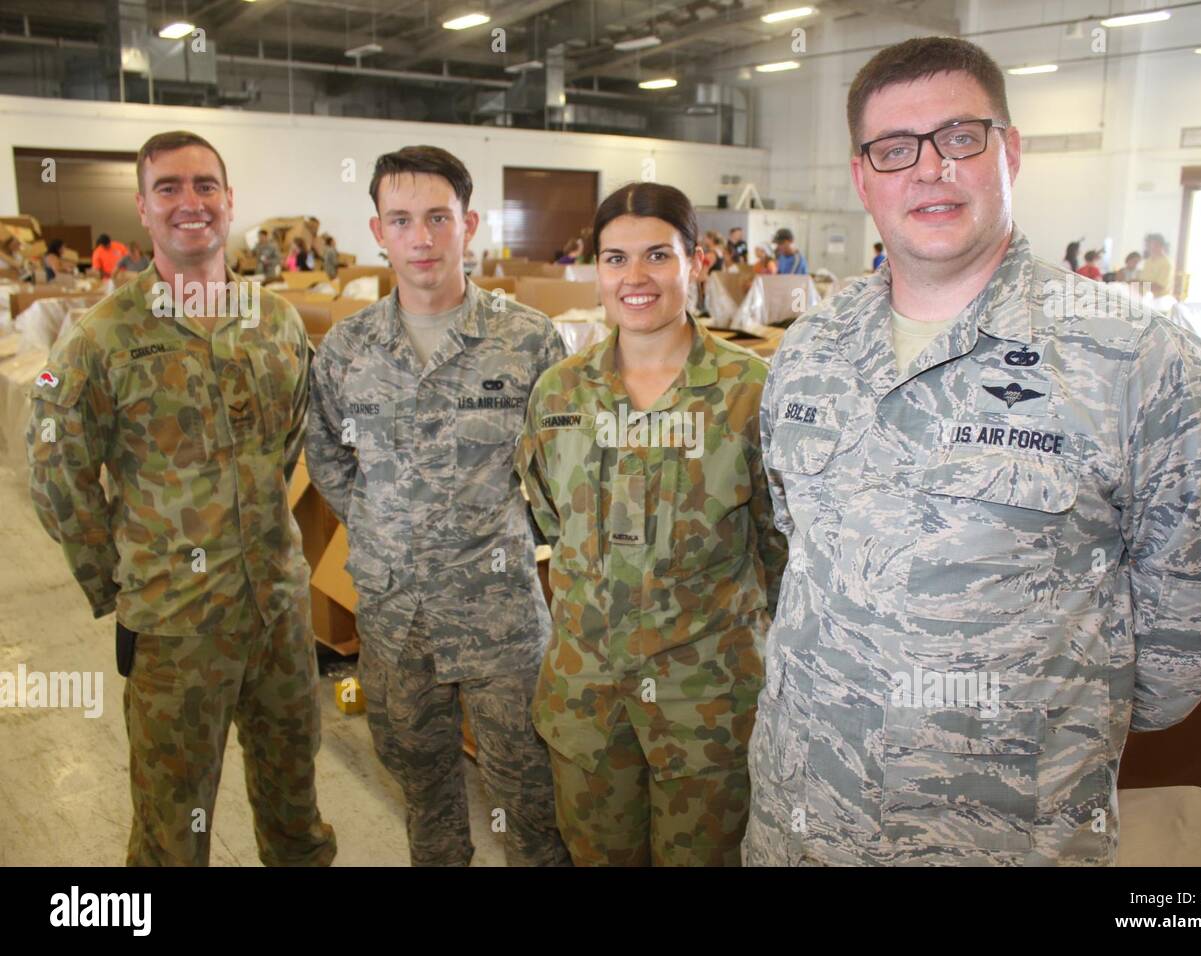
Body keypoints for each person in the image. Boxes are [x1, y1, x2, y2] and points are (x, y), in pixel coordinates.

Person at [743, 35, 1201, 868]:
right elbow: (792, 536)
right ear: (863, 178)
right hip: (805, 810)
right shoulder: (811, 348)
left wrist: (1066, 711)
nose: (929, 169)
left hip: (1001, 831)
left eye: (959, 137)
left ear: (1010, 151)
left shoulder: (1137, 358)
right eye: (895, 150)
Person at [27, 129, 337, 867]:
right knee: (174, 833)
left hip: (278, 618)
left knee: (298, 820)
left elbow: (290, 446)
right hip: (174, 628)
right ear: (142, 207)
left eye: (205, 187)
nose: (188, 203)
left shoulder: (276, 323)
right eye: (168, 188)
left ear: (229, 203)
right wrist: (123, 584)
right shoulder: (102, 338)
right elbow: (56, 474)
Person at [307, 146, 570, 867]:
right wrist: (383, 527)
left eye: (437, 218)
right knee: (423, 797)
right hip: (394, 622)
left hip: (501, 621)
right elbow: (328, 457)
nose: (421, 238)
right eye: (402, 220)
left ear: (469, 224)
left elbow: (562, 469)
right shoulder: (347, 350)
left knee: (535, 800)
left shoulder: (527, 341)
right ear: (378, 231)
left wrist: (508, 535)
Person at [516, 181, 787, 866]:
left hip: (707, 706)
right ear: (595, 269)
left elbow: (780, 545)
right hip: (588, 703)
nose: (635, 278)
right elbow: (548, 517)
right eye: (615, 259)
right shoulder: (559, 392)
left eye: (658, 255)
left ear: (695, 262)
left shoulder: (749, 392)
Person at [1139, 232, 1175, 298]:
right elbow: (1143, 280)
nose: (1148, 247)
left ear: (1160, 245)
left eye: (1151, 244)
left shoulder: (1166, 263)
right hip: (1145, 296)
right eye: (1147, 245)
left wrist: (1138, 285)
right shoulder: (1148, 261)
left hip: (1159, 299)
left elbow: (1160, 287)